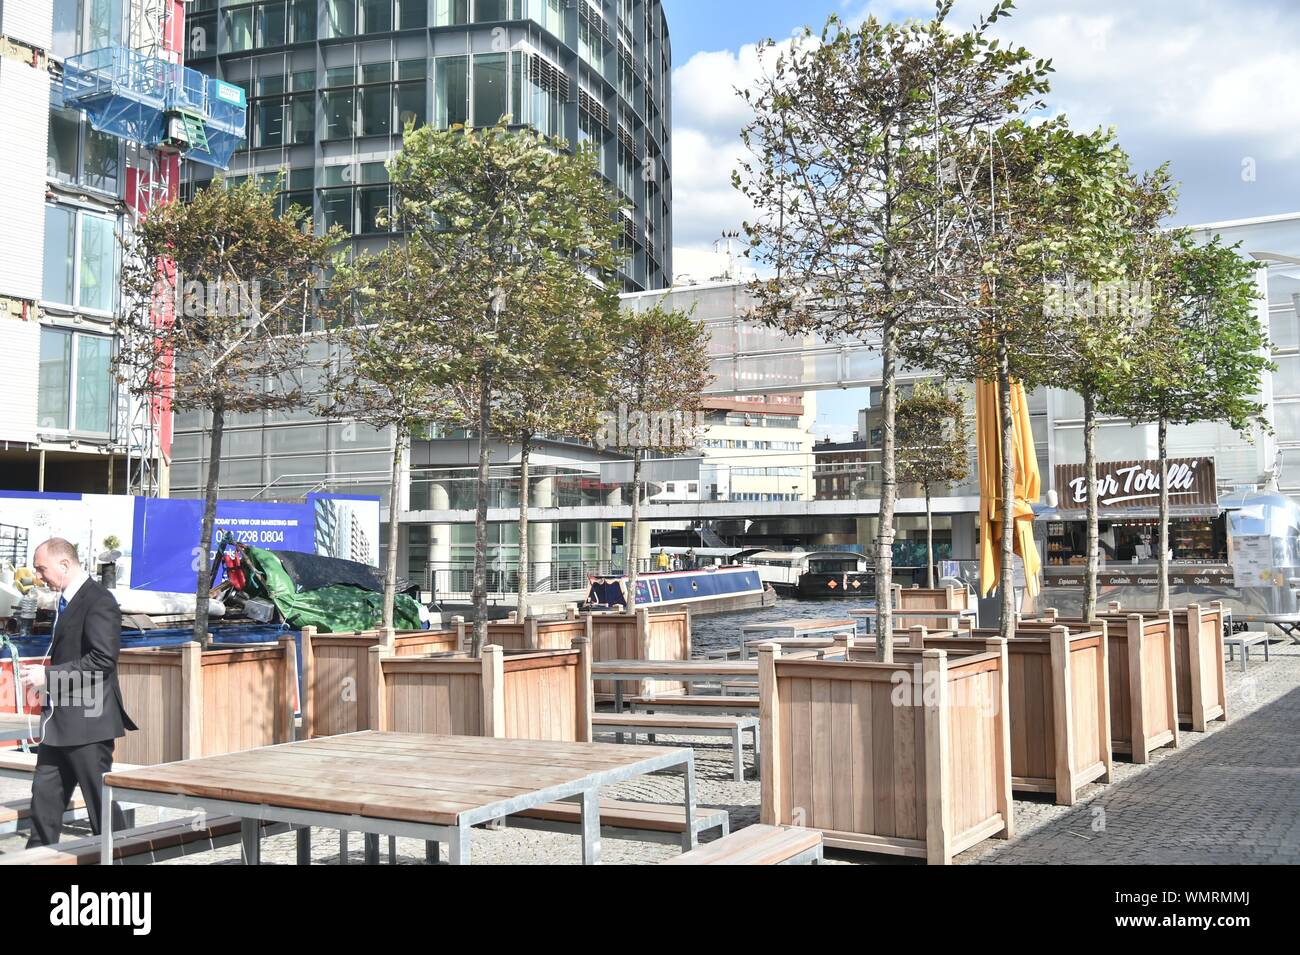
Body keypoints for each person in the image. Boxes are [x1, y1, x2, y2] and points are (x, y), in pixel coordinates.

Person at [21, 538, 135, 847]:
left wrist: (49, 676)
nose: (39, 576)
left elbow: (102, 660)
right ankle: (38, 858)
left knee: (101, 809)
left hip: (88, 724)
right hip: (59, 723)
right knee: (43, 803)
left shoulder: (99, 601)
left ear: (64, 564)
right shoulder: (66, 601)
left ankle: (122, 860)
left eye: (41, 569)